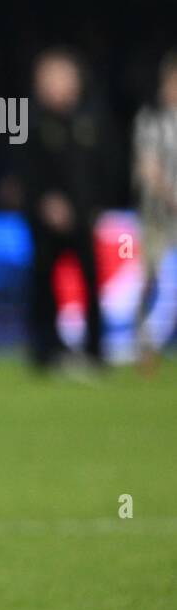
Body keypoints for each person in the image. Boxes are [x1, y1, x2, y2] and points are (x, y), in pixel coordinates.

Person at [20, 48, 115, 371]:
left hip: (84, 218)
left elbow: (109, 169)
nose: (56, 84)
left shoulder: (94, 121)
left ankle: (94, 350)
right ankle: (46, 351)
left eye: (62, 76)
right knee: (42, 283)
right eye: (49, 78)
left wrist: (94, 206)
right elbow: (22, 175)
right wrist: (44, 202)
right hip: (44, 220)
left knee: (90, 281)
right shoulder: (29, 123)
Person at [131, 51, 177, 372]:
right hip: (159, 215)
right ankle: (145, 345)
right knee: (152, 277)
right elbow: (147, 168)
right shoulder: (152, 118)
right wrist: (171, 195)